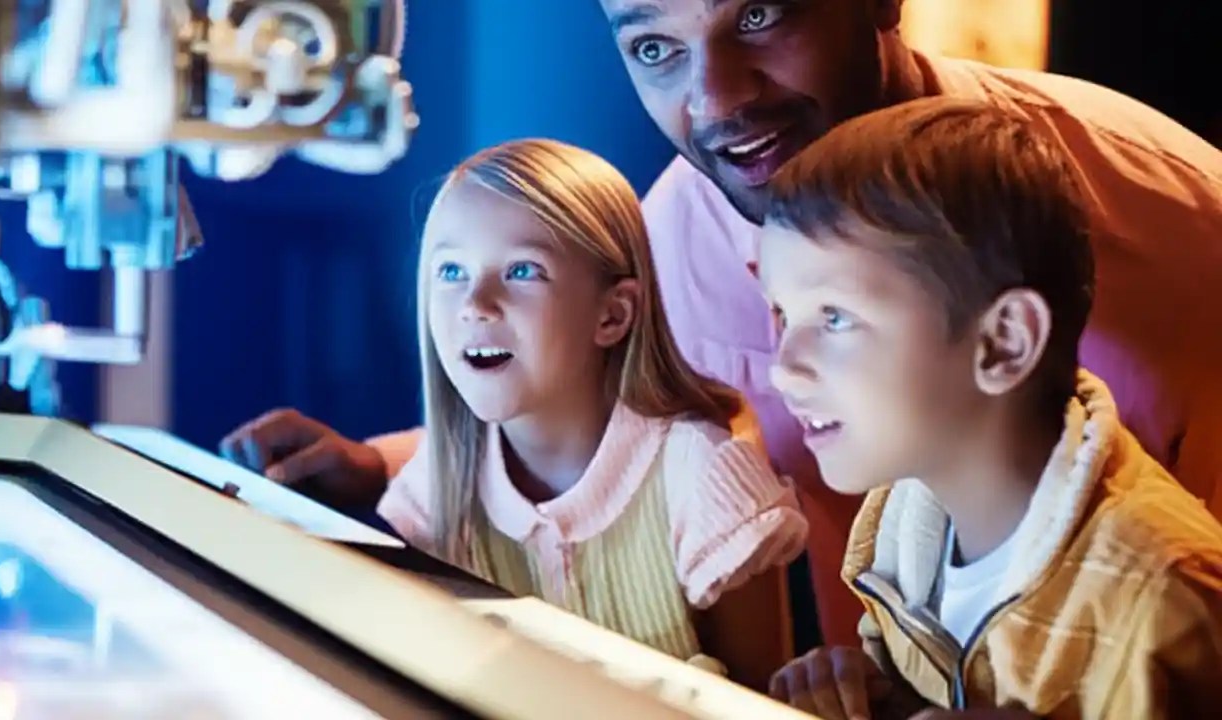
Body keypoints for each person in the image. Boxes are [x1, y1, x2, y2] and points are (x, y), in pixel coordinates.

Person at [225, 0, 1222, 650]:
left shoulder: (1167, 212)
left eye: (757, 16)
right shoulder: (670, 242)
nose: (714, 100)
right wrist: (376, 465)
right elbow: (594, 394)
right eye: (655, 49)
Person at [266, 138, 808, 689]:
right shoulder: (443, 477)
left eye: (523, 271)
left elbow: (761, 697)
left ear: (614, 315)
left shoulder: (703, 476)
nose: (475, 303)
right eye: (451, 271)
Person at [762, 97, 1222, 719]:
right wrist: (874, 693)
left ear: (1004, 341)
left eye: (835, 317)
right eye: (783, 315)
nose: (783, 366)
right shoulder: (902, 519)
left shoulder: (1170, 604)